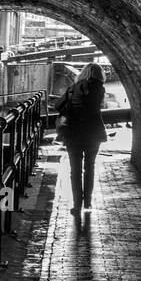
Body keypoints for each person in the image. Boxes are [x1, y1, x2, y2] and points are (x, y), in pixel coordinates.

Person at [56, 64, 107, 215]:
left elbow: (58, 106)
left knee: (75, 170)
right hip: (93, 133)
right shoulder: (100, 89)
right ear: (99, 74)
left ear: (83, 73)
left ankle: (77, 204)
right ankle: (88, 202)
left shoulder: (73, 88)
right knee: (89, 167)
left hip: (73, 133)